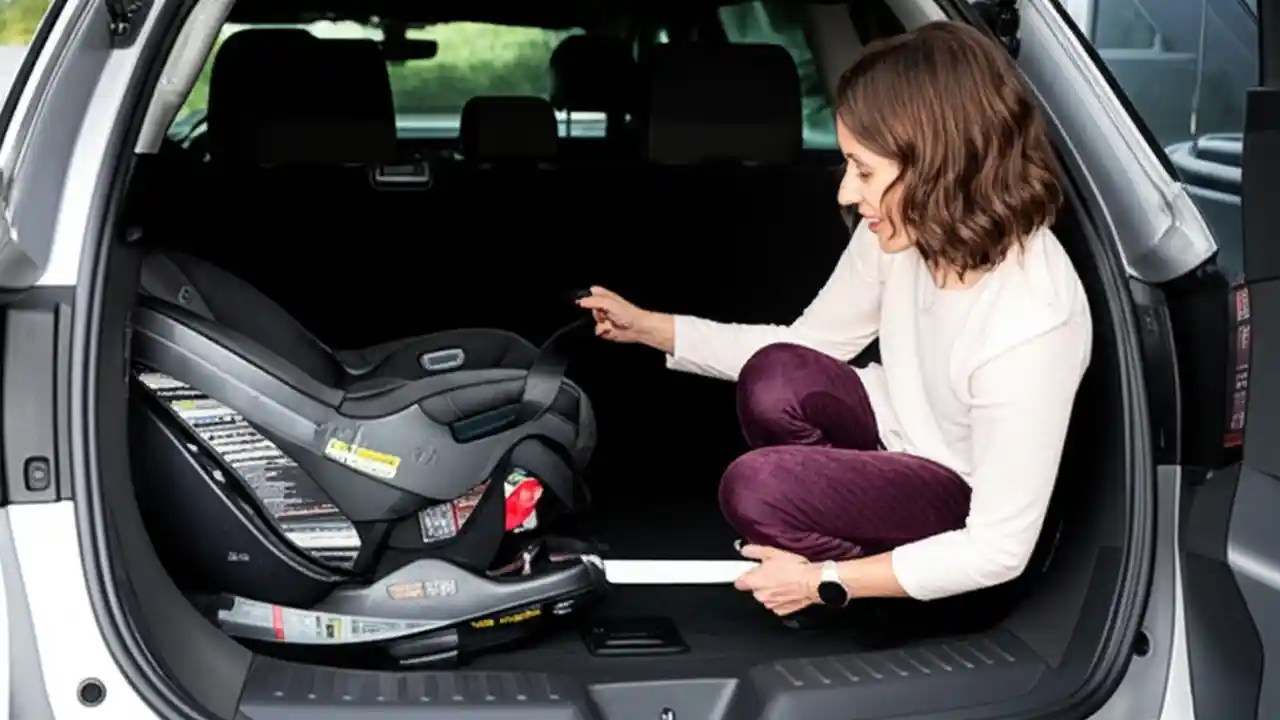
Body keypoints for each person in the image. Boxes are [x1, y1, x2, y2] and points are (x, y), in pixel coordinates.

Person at [576, 20, 1092, 622]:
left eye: (864, 170)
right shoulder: (908, 230)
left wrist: (822, 580)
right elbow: (806, 345)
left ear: (938, 167)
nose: (848, 193)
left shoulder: (1031, 325)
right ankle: (842, 542)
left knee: (755, 488)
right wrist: (652, 327)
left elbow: (999, 549)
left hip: (955, 497)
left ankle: (871, 595)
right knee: (776, 376)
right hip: (894, 431)